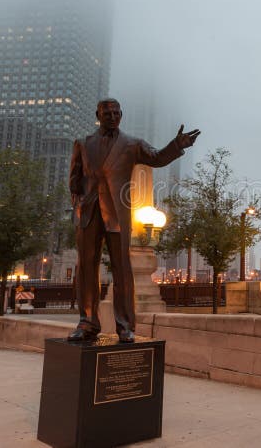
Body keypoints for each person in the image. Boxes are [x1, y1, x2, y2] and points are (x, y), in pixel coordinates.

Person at [68, 98, 199, 342]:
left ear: (121, 114)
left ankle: (125, 325)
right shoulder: (83, 144)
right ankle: (87, 322)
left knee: (122, 270)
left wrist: (176, 145)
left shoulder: (132, 144)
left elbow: (157, 157)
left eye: (117, 112)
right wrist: (78, 206)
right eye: (107, 112)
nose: (113, 116)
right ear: (98, 114)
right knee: (86, 268)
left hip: (117, 214)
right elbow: (74, 181)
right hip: (87, 214)